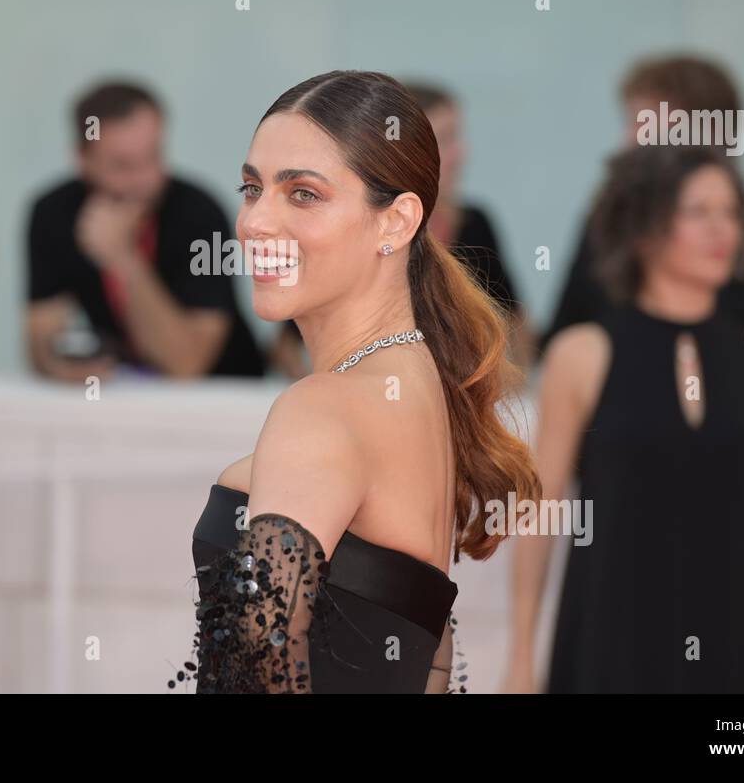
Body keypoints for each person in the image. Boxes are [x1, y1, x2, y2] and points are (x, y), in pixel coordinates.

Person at [174, 70, 539, 693]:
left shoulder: (326, 406)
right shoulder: (421, 388)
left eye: (304, 194)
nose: (257, 222)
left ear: (396, 222)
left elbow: (261, 673)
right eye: (252, 187)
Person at [507, 145, 744, 693]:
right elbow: (543, 513)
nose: (722, 230)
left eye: (731, 212)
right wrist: (522, 656)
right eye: (698, 211)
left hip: (742, 636)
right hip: (612, 638)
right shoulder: (583, 355)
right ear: (642, 226)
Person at [543, 55, 744, 513]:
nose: (627, 141)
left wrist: (734, 395)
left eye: (642, 126)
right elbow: (564, 338)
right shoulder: (605, 232)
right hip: (627, 493)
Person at [268, 81, 535, 378]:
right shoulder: (357, 225)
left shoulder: (474, 224)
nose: (460, 153)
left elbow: (512, 321)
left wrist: (514, 396)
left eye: (457, 137)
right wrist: (323, 391)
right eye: (444, 139)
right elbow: (288, 340)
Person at [24, 80, 264, 380]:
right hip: (122, 394)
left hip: (224, 391)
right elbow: (42, 344)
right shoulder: (54, 213)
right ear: (82, 160)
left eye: (153, 156)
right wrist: (65, 367)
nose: (146, 180)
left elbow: (187, 364)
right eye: (123, 165)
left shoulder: (201, 213)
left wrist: (123, 258)